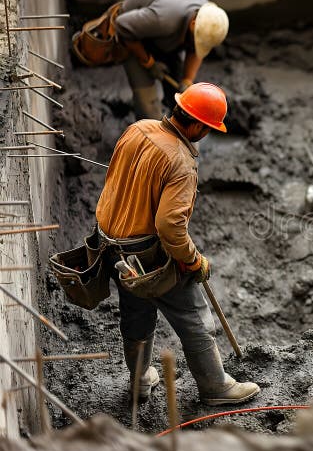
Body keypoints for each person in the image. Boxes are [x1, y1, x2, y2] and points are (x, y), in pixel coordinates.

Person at [95, 82, 260, 405]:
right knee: (194, 315)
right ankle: (216, 387)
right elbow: (169, 226)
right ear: (197, 124)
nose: (208, 134)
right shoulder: (181, 162)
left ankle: (140, 380)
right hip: (148, 252)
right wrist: (192, 259)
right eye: (209, 128)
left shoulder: (138, 128)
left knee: (136, 313)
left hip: (112, 246)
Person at [114, 0, 229, 120]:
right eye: (197, 41)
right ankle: (150, 135)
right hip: (134, 36)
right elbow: (121, 25)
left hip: (169, 38)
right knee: (148, 105)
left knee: (182, 99)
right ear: (193, 25)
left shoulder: (206, 17)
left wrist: (187, 80)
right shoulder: (162, 20)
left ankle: (180, 134)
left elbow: (196, 50)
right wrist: (149, 63)